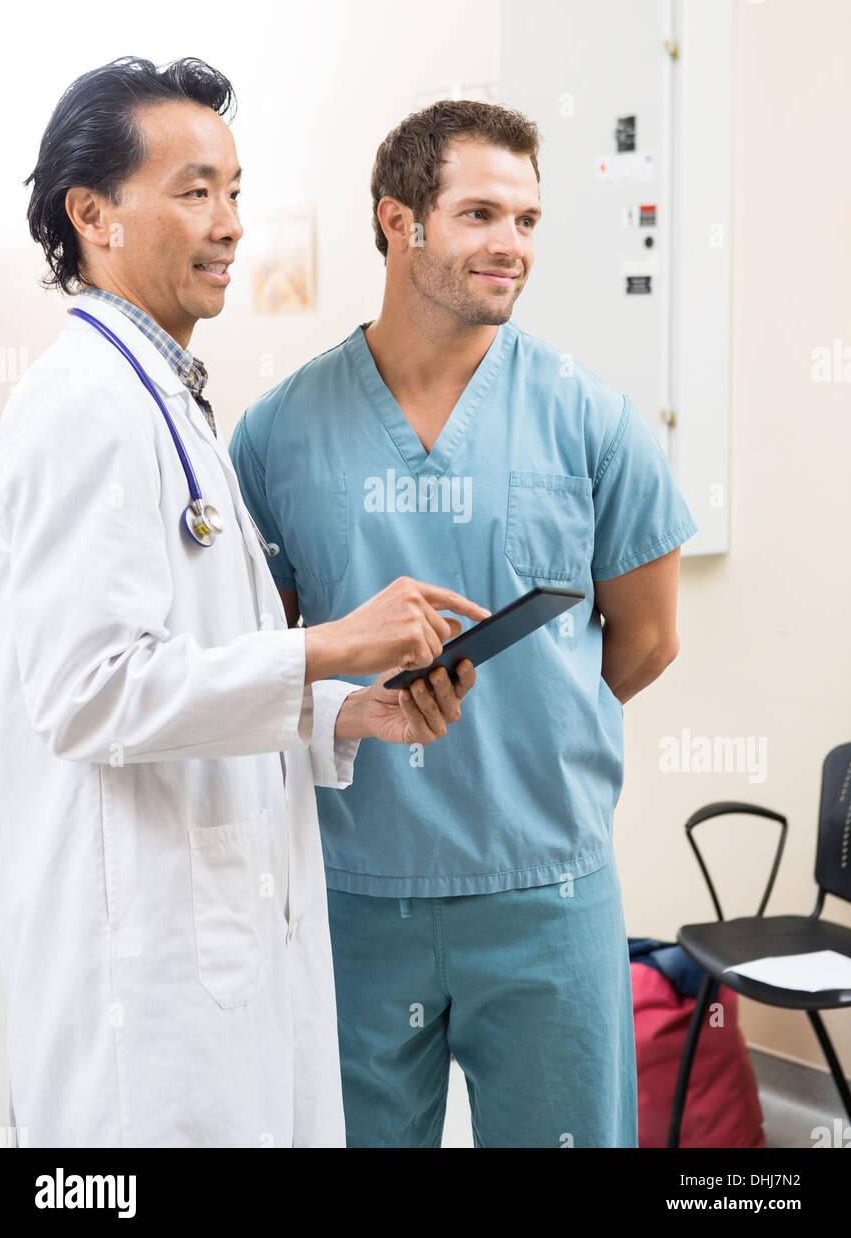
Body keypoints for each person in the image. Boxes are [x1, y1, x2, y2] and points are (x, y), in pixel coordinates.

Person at [0, 59, 485, 1149]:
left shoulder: (165, 397)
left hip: (213, 958)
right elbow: (86, 694)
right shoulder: (85, 406)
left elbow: (193, 669)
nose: (228, 224)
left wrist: (345, 708)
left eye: (236, 190)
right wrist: (322, 648)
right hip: (142, 985)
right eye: (193, 190)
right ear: (93, 215)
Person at [230, 99, 699, 1148]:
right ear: (397, 222)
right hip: (354, 889)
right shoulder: (278, 432)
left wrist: (528, 724)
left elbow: (649, 636)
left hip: (544, 891)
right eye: (480, 214)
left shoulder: (590, 416)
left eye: (527, 221)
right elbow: (265, 661)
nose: (511, 246)